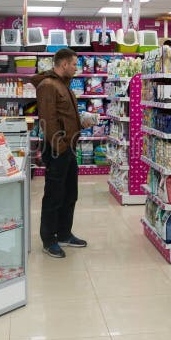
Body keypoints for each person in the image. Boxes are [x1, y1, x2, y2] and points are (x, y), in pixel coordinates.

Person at [32, 48, 96, 258]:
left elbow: (64, 116)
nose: (77, 68)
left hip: (68, 147)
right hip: (58, 148)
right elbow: (48, 121)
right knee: (54, 195)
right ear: (63, 64)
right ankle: (49, 239)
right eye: (74, 64)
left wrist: (80, 122)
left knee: (70, 193)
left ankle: (64, 234)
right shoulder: (48, 86)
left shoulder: (62, 84)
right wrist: (60, 147)